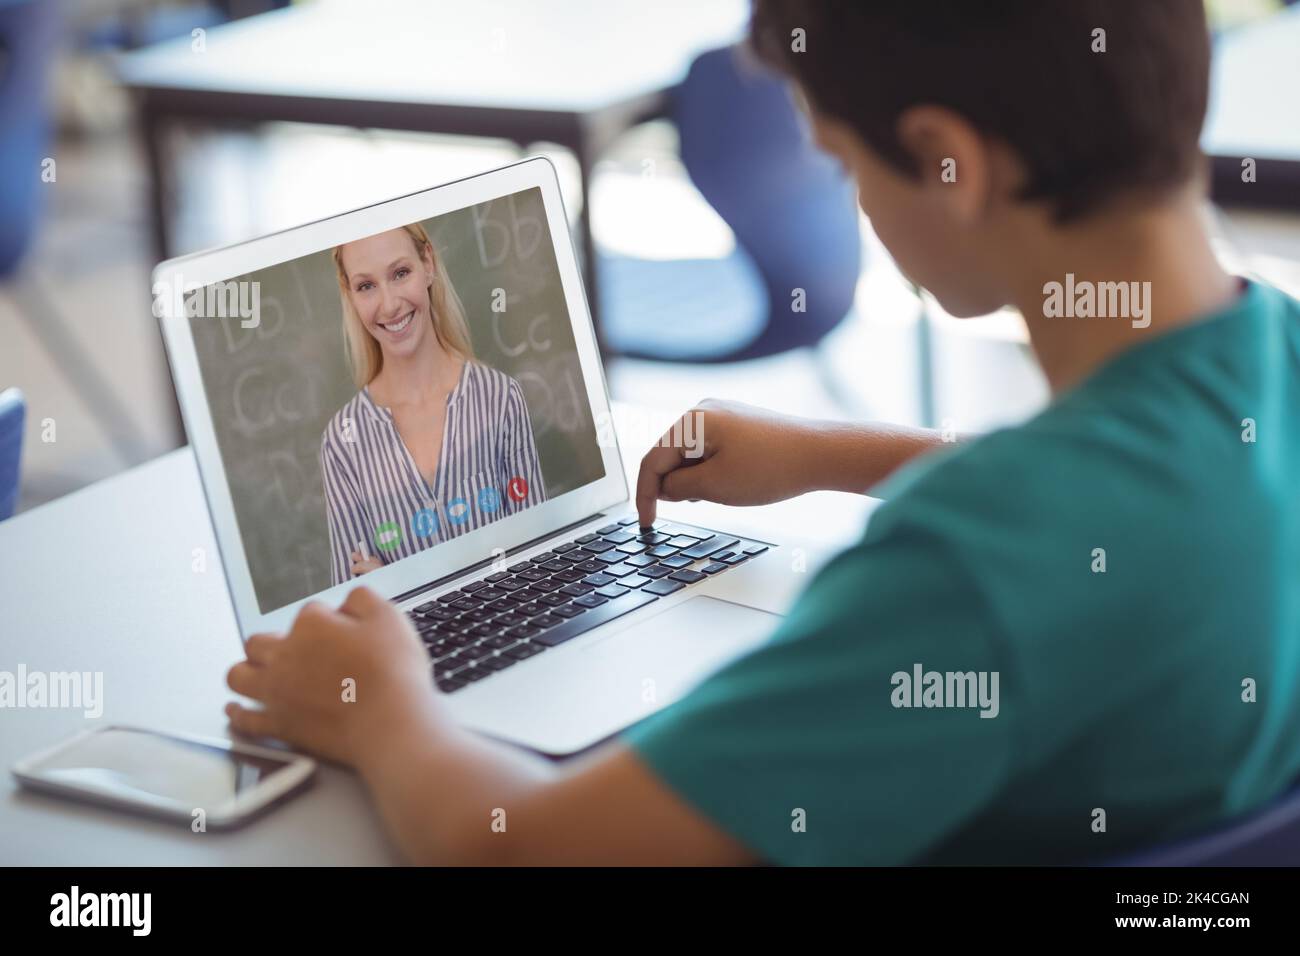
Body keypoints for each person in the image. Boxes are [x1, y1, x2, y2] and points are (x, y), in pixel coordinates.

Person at [228, 0, 1300, 864]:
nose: (855, 198)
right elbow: (1132, 500)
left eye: (842, 165)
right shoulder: (1270, 357)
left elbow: (527, 846)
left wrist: (380, 709)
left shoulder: (957, 581)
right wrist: (834, 455)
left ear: (945, 162)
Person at [320, 222, 545, 585]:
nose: (390, 305)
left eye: (400, 273)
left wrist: (397, 581)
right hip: (404, 643)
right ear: (350, 293)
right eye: (366, 286)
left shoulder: (500, 398)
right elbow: (358, 601)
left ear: (428, 264)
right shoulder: (342, 441)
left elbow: (538, 555)